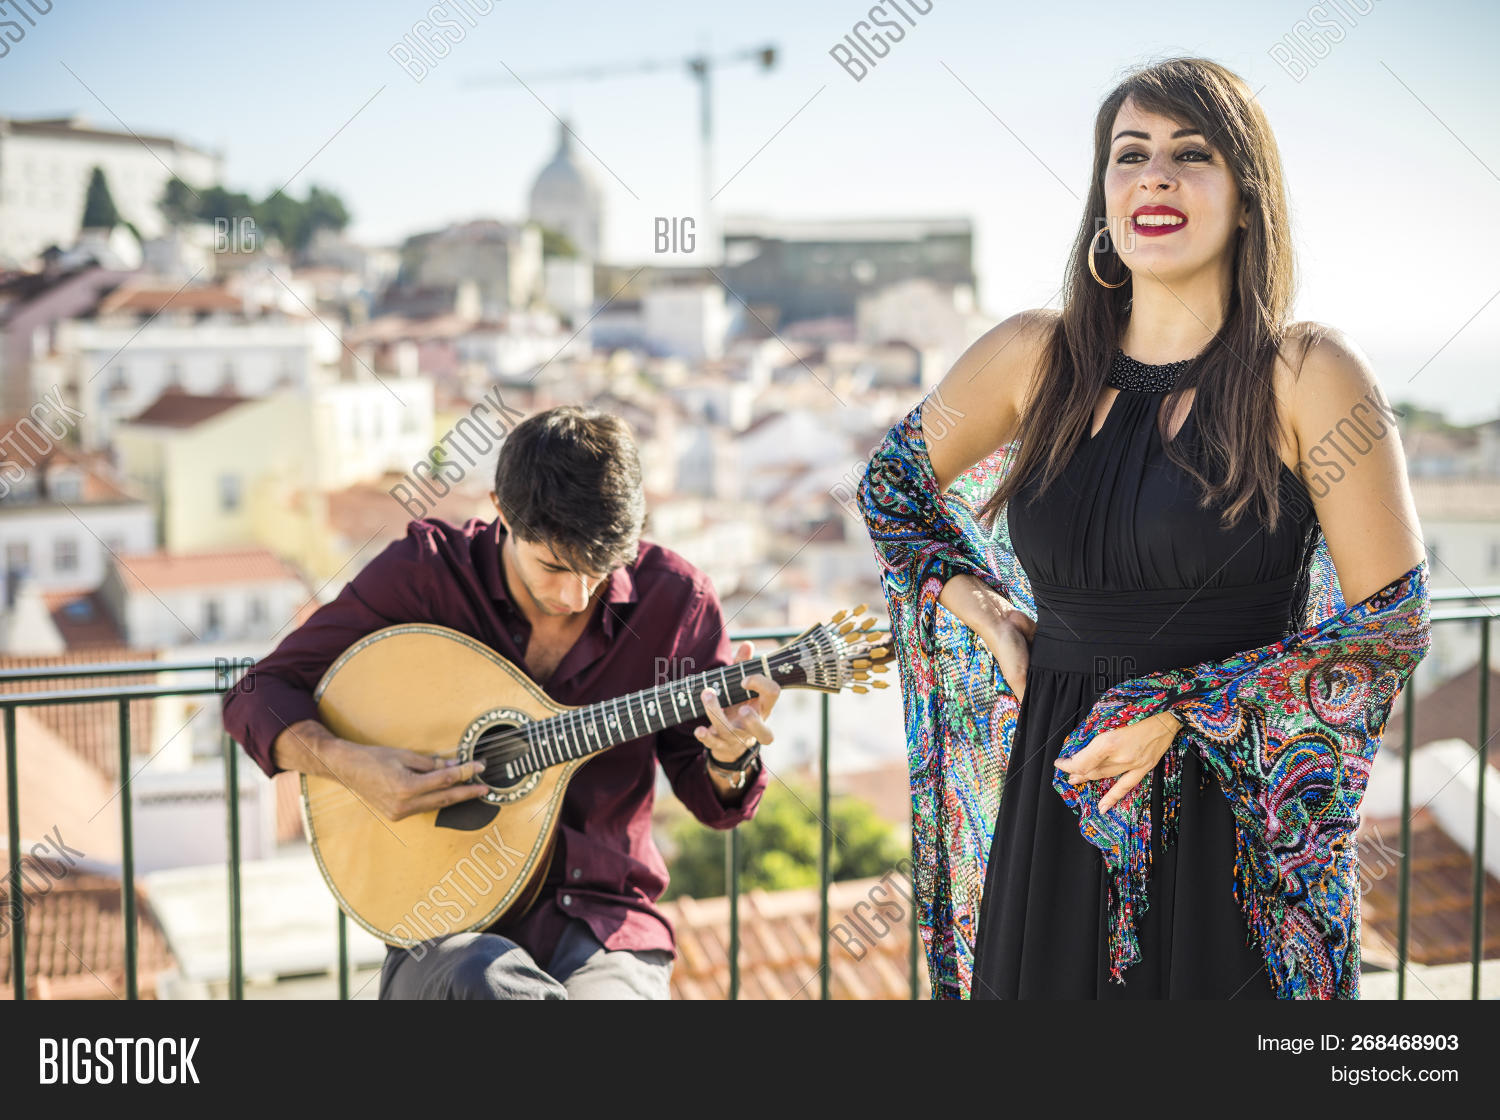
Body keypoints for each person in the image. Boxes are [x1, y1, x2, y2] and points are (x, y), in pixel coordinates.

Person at [858, 57, 1429, 999]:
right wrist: (985, 606)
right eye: (1131, 155)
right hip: (1058, 808)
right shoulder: (1032, 360)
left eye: (1191, 154)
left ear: (1248, 201)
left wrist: (1181, 714)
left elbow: (1391, 625)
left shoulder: (1309, 372)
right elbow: (892, 489)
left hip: (1232, 831)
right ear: (1104, 197)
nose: (1155, 176)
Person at [222, 405, 779, 999]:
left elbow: (713, 801)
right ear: (501, 510)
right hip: (448, 926)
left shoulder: (675, 600)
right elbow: (255, 694)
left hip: (605, 923)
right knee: (481, 977)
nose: (577, 593)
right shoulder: (429, 577)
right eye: (555, 566)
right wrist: (352, 765)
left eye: (601, 569)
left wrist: (729, 758)